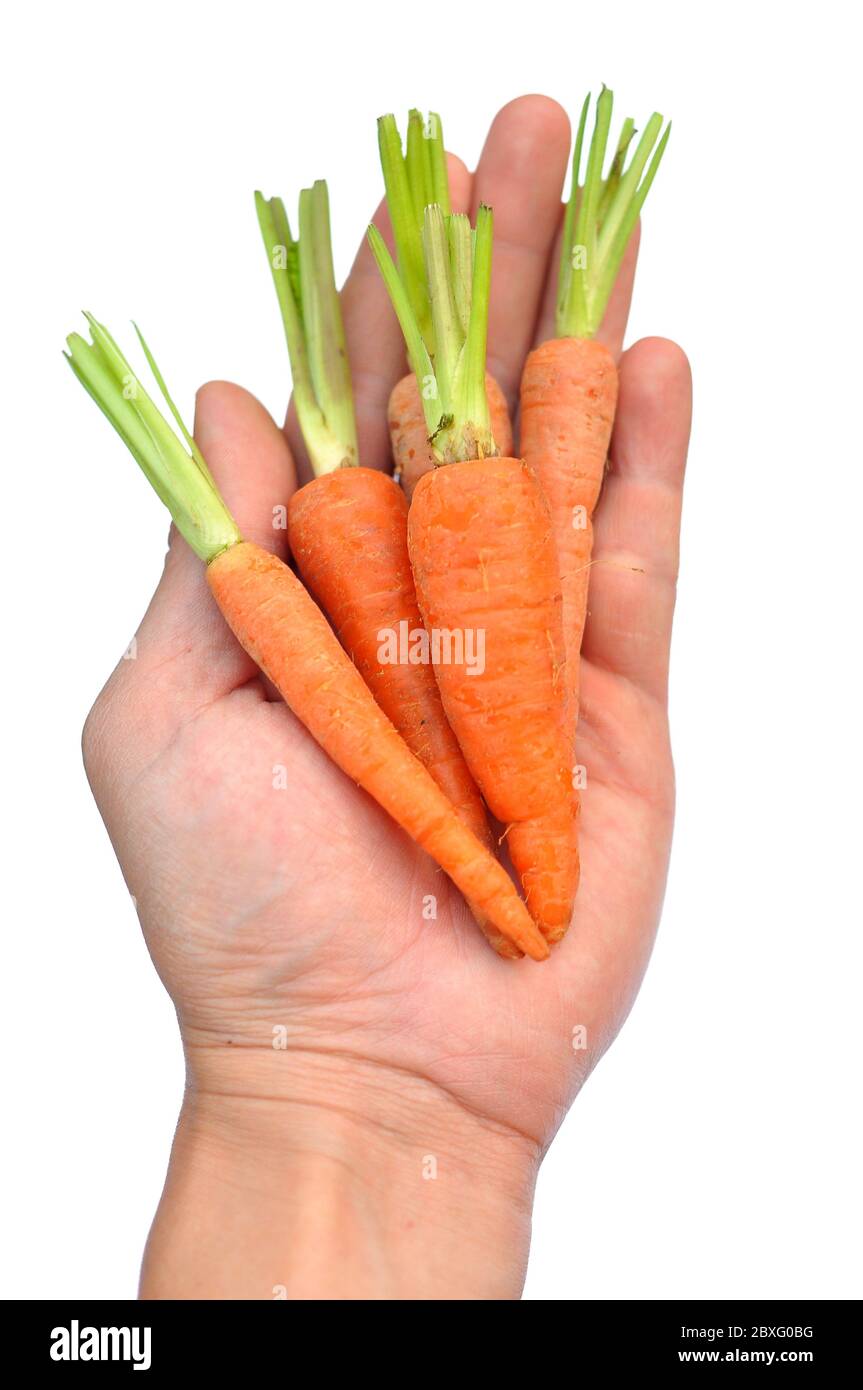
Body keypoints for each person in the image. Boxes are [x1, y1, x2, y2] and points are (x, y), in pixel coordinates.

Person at [82, 96, 692, 1299]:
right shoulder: (349, 519)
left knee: (530, 657)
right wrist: (333, 1076)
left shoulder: (479, 497)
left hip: (469, 495)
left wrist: (321, 1096)